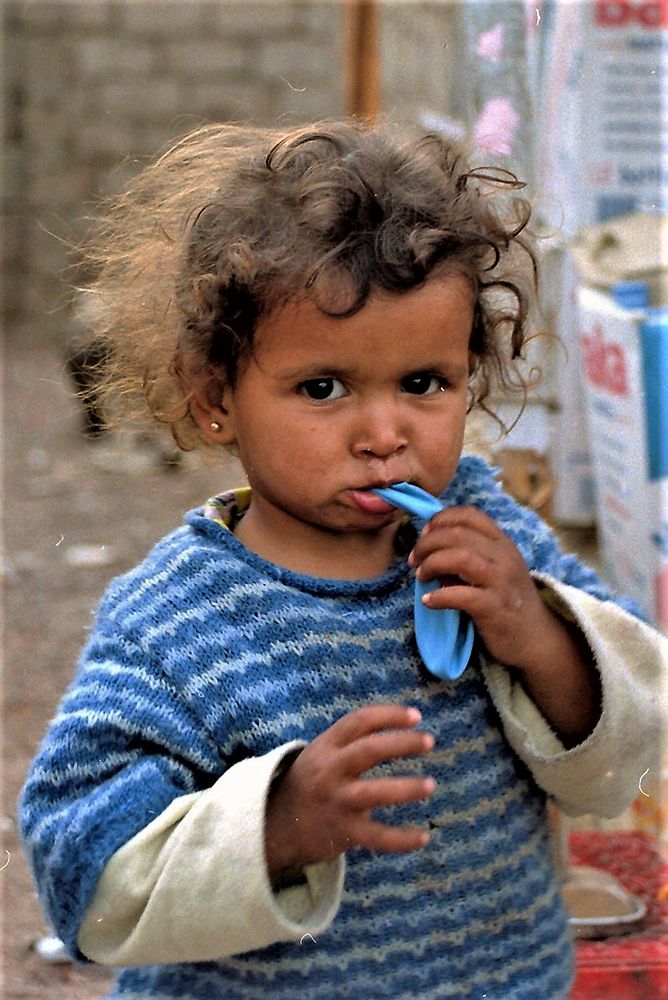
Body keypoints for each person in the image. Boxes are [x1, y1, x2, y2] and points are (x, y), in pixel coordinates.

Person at [20, 120, 664, 1000]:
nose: (384, 433)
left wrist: (537, 631)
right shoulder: (177, 618)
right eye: (323, 388)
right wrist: (276, 826)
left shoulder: (486, 531)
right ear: (217, 401)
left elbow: (629, 737)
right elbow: (79, 868)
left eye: (423, 383)